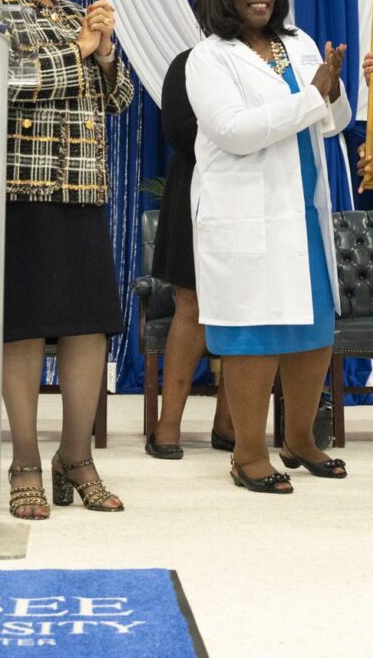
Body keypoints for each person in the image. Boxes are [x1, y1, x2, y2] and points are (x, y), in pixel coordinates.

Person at [0, 0, 134, 518]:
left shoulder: (71, 14)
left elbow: (118, 100)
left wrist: (107, 49)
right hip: (19, 189)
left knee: (88, 324)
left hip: (83, 187)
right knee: (26, 326)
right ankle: (26, 464)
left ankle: (78, 456)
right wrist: (80, 52)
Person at [186, 0, 350, 494]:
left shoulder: (298, 43)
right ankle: (248, 452)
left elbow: (331, 122)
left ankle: (300, 439)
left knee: (313, 330)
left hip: (302, 209)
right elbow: (233, 131)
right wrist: (312, 96)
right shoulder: (209, 57)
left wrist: (337, 86)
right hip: (246, 214)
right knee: (252, 332)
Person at [146, 47, 235, 459]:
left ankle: (230, 424)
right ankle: (168, 426)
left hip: (255, 195)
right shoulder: (188, 62)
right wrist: (239, 127)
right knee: (192, 305)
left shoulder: (268, 65)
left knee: (244, 310)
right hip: (196, 191)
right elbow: (180, 132)